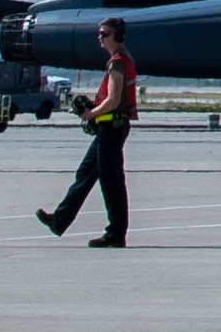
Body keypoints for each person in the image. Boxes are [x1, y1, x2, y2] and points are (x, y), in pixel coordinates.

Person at [37, 26, 143, 249]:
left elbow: (113, 100)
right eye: (100, 34)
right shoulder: (119, 60)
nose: (100, 38)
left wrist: (89, 113)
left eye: (105, 34)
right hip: (109, 128)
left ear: (117, 36)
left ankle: (115, 233)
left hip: (112, 128)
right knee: (85, 174)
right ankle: (59, 220)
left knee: (111, 183)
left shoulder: (117, 62)